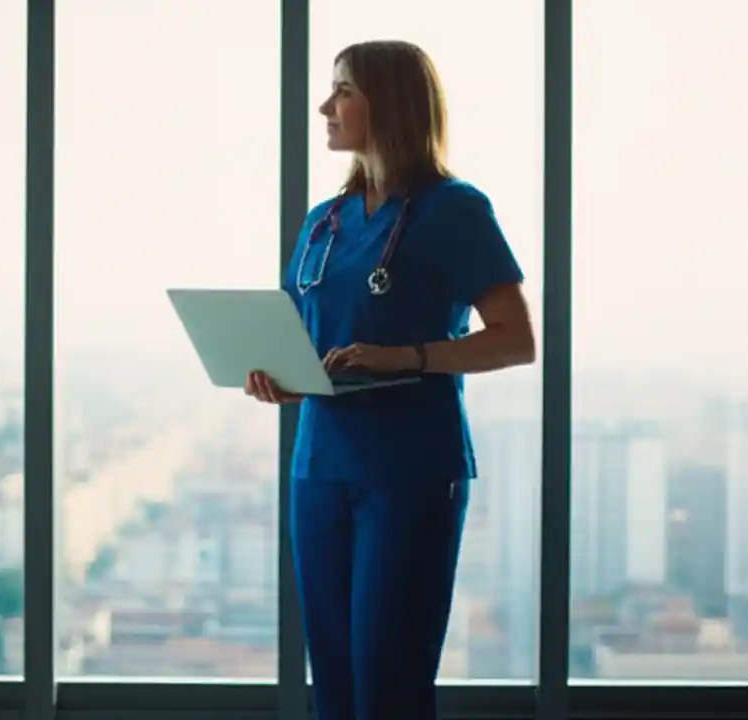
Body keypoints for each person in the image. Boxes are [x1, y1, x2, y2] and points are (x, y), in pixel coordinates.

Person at [243, 40, 536, 719]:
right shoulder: (324, 222)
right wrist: (279, 376)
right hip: (318, 468)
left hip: (409, 470)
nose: (326, 105)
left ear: (392, 102)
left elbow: (515, 340)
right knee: (335, 682)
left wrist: (404, 357)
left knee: (388, 680)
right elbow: (306, 339)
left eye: (343, 90)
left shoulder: (455, 210)